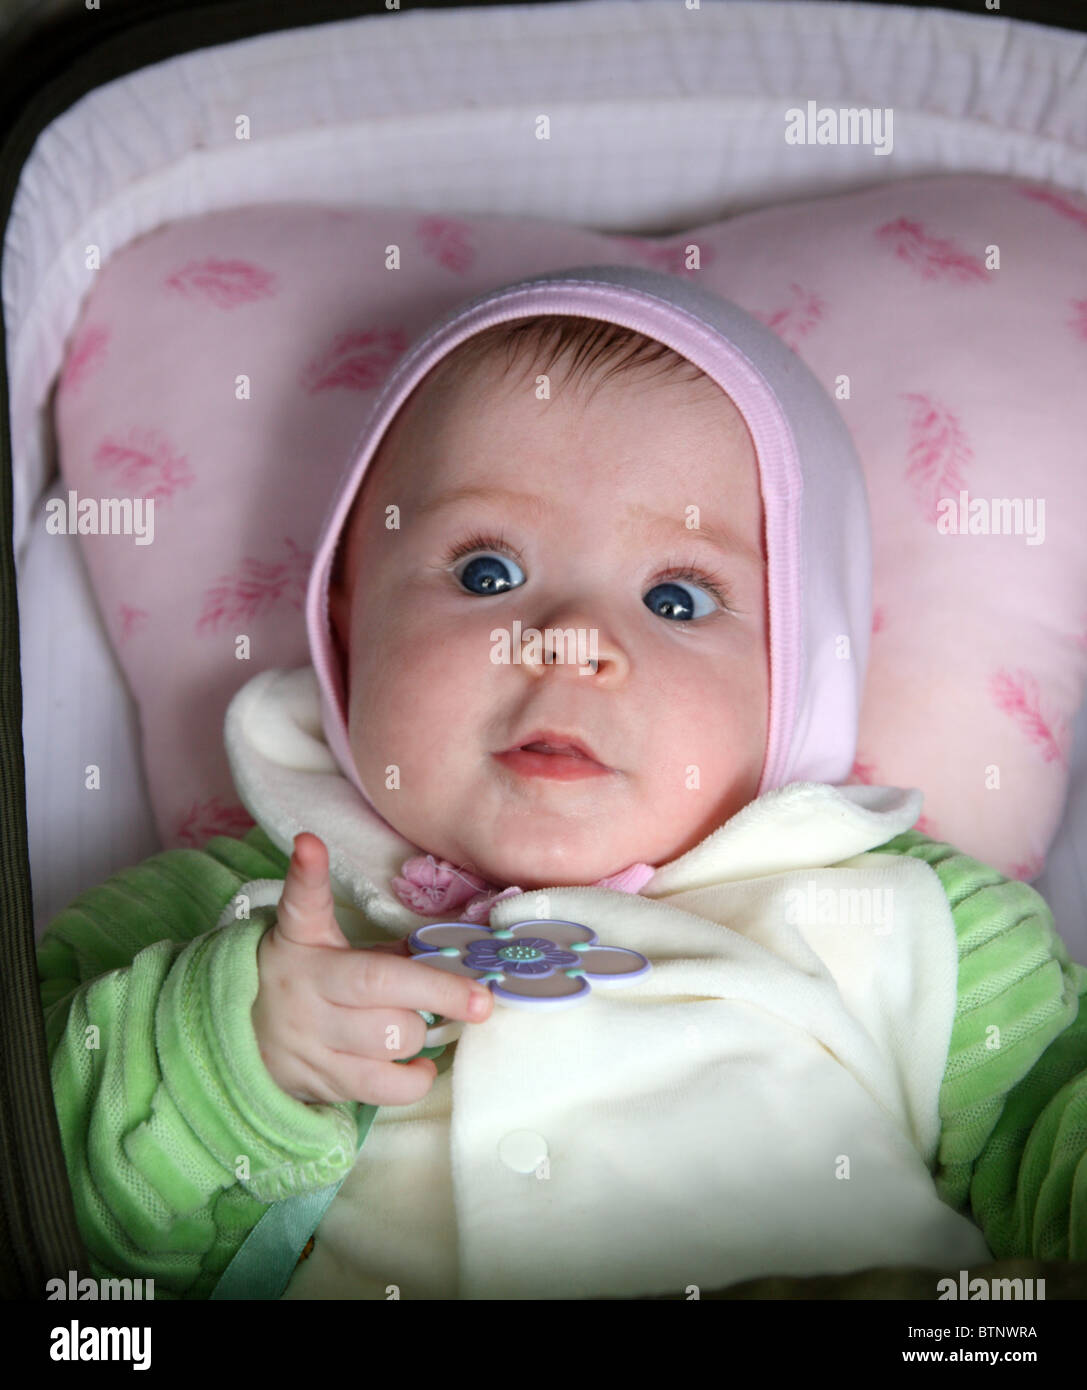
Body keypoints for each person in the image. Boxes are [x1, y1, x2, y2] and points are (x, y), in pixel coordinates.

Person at [37, 267, 1087, 1301]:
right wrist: (240, 1056)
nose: (570, 638)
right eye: (486, 573)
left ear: (802, 674)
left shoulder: (915, 921)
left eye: (676, 597)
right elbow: (37, 1187)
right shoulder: (230, 913)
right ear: (350, 629)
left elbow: (1061, 1133)